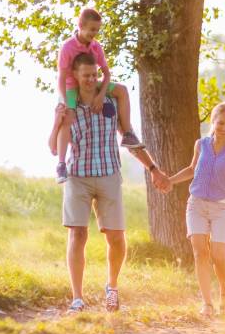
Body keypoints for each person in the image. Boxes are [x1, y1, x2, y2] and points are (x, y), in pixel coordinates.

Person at [62, 52, 168, 313]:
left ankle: (111, 287)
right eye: (85, 75)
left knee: (117, 238)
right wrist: (56, 126)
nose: (90, 79)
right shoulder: (69, 106)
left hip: (109, 174)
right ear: (75, 76)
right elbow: (55, 143)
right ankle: (77, 297)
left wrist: (153, 168)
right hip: (78, 177)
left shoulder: (110, 101)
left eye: (94, 74)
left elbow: (129, 139)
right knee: (77, 234)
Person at [162, 102, 225, 317]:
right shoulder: (201, 144)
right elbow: (191, 169)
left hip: (221, 208)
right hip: (196, 204)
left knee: (218, 255)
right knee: (200, 253)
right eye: (221, 123)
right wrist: (170, 181)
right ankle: (207, 303)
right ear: (213, 121)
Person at [49, 7, 144, 184]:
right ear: (81, 26)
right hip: (71, 86)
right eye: (92, 29)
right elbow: (61, 77)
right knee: (67, 117)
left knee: (122, 90)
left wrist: (101, 95)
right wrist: (64, 101)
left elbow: (106, 74)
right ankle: (61, 164)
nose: (95, 33)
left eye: (97, 30)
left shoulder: (96, 46)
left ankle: (128, 133)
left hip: (93, 82)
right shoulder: (68, 47)